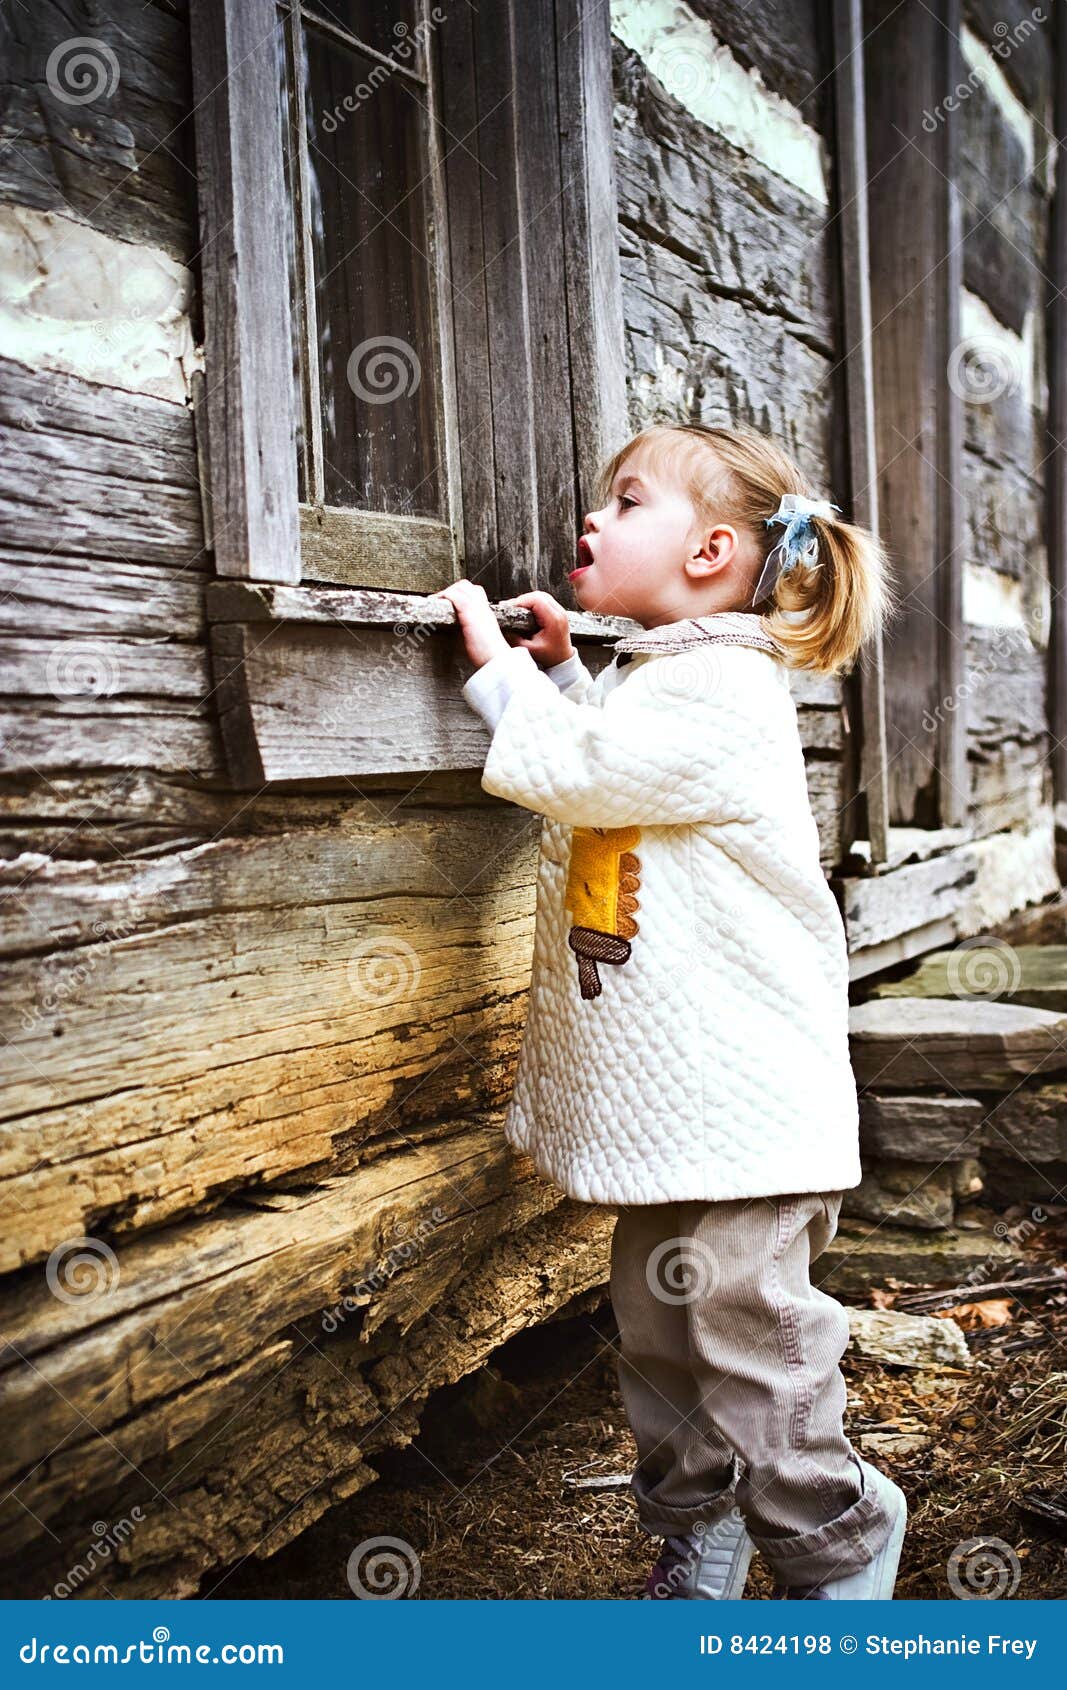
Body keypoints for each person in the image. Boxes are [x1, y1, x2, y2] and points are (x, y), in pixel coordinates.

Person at [435, 421, 906, 1600]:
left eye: (625, 500)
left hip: (749, 1102)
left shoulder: (727, 689)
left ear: (705, 551)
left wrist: (495, 667)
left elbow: (593, 774)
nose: (591, 519)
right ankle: (700, 1533)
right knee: (657, 1322)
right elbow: (621, 761)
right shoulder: (667, 682)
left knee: (747, 1322)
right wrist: (560, 675)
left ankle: (835, 1536)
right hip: (686, 1110)